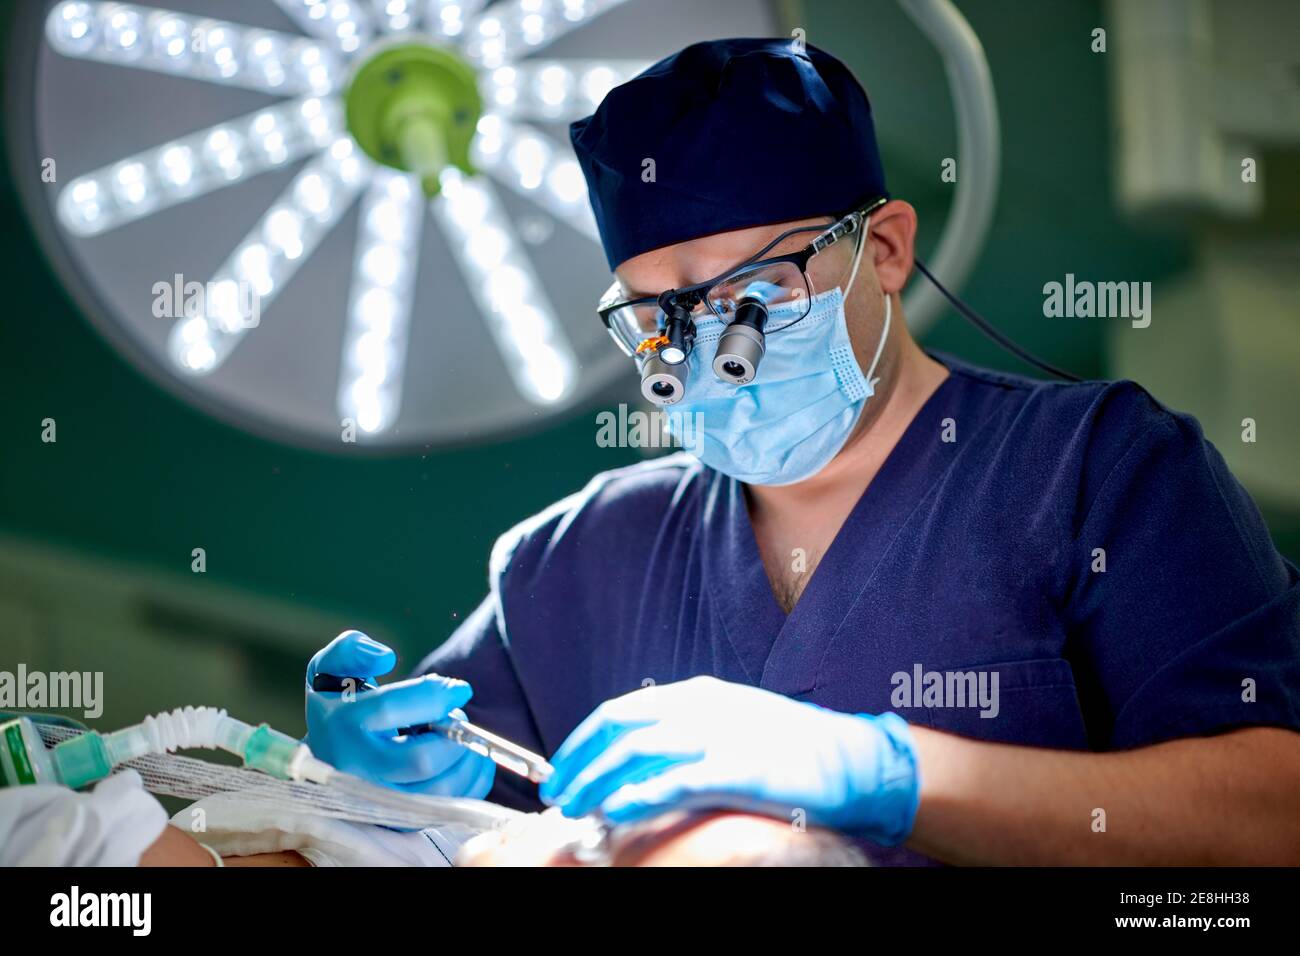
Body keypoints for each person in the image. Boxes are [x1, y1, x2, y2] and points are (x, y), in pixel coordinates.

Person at [305, 38, 1300, 865]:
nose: (703, 354)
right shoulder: (570, 562)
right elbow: (441, 823)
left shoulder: (1092, 471)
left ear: (886, 250)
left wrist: (884, 771)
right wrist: (371, 782)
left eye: (754, 297)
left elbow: (1269, 813)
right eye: (659, 319)